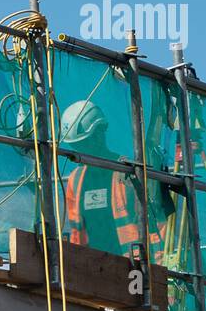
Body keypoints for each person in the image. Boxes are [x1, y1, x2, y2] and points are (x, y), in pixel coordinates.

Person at [60, 100, 161, 257]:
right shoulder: (76, 180)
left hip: (132, 264)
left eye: (85, 142)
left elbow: (152, 223)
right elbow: (77, 232)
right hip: (93, 267)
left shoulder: (126, 172)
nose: (82, 149)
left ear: (100, 133)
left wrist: (158, 263)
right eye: (77, 146)